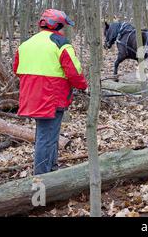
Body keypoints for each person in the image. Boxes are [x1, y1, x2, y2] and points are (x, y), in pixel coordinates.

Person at [13, 9, 88, 175]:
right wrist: (84, 86)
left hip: (31, 96)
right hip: (51, 97)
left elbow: (17, 69)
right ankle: (41, 177)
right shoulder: (61, 44)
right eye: (62, 26)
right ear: (57, 25)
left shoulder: (26, 44)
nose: (63, 30)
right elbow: (74, 72)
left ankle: (52, 168)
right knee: (45, 138)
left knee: (49, 135)